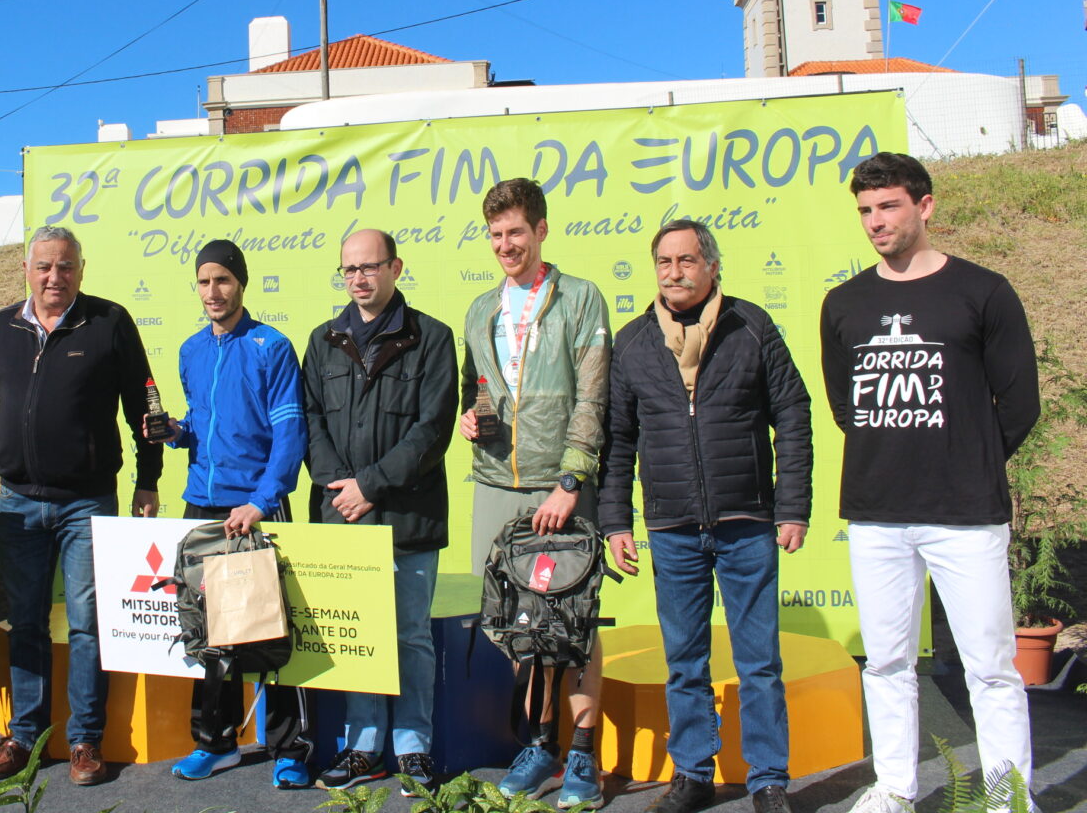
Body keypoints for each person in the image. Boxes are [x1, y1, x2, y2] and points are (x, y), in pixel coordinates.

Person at [820, 153, 1040, 813]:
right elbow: (845, 405)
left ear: (926, 206)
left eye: (887, 206)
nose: (875, 221)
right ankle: (895, 789)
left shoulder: (983, 292)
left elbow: (1020, 402)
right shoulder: (845, 303)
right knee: (886, 664)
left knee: (991, 668)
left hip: (966, 515)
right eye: (864, 210)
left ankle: (1008, 798)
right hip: (876, 513)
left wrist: (964, 462)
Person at [598, 220, 811, 813]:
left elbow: (792, 413)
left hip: (747, 522)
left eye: (687, 260)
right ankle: (692, 773)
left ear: (712, 266)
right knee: (684, 660)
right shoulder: (634, 341)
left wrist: (792, 506)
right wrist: (616, 521)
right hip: (671, 529)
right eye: (664, 262)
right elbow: (617, 440)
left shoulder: (751, 327)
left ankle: (769, 778)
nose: (675, 272)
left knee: (759, 661)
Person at [0, 225, 162, 785]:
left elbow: (144, 406)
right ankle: (24, 738)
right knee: (26, 621)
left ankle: (85, 740)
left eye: (66, 266)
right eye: (44, 267)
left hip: (87, 503)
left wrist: (147, 480)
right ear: (26, 269)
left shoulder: (109, 322)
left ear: (82, 269)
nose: (54, 277)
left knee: (87, 623)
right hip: (17, 503)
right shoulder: (2, 326)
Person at [458, 178, 611, 809]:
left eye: (515, 231)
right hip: (497, 482)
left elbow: (592, 396)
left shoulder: (580, 299)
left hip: (558, 486)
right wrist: (474, 416)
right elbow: (482, 390)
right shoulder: (478, 310)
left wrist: (571, 479)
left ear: (541, 229)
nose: (505, 245)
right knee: (517, 624)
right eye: (495, 234)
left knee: (571, 622)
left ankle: (582, 754)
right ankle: (540, 744)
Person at [148, 239, 313, 789]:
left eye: (222, 280)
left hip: (259, 505)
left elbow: (290, 434)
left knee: (274, 631)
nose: (212, 291)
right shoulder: (191, 349)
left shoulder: (272, 345)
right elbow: (200, 425)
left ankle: (290, 746)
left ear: (241, 283)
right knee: (208, 631)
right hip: (204, 501)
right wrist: (175, 432)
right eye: (203, 281)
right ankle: (214, 743)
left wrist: (262, 501)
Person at [303, 230, 457, 795]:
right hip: (342, 518)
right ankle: (363, 746)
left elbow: (432, 429)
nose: (359, 278)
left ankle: (413, 747)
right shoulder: (322, 341)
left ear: (395, 267)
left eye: (370, 267)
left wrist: (370, 485)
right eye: (349, 269)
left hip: (407, 518)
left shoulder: (432, 338)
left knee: (411, 636)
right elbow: (311, 421)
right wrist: (343, 490)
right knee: (356, 638)